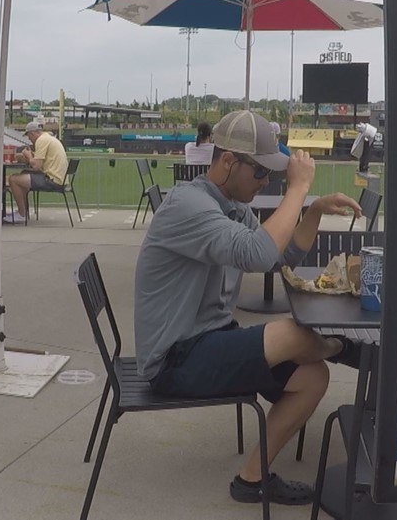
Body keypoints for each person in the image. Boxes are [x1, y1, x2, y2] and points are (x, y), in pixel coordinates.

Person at [134, 109, 362, 506]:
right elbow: (257, 255)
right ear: (227, 162)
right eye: (260, 173)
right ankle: (347, 346)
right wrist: (296, 189)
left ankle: (252, 479)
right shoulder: (188, 205)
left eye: (272, 175)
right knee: (297, 333)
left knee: (313, 377)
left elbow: (278, 257)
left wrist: (312, 210)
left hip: (211, 339)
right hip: (174, 358)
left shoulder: (231, 206)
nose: (267, 181)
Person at [4, 121, 68, 225]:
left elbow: (36, 166)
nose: (29, 139)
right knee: (22, 174)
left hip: (52, 180)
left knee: (13, 179)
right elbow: (39, 163)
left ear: (32, 134)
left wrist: (28, 156)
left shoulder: (41, 140)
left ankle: (21, 214)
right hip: (58, 179)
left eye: (29, 136)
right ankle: (23, 211)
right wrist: (30, 157)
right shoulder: (48, 138)